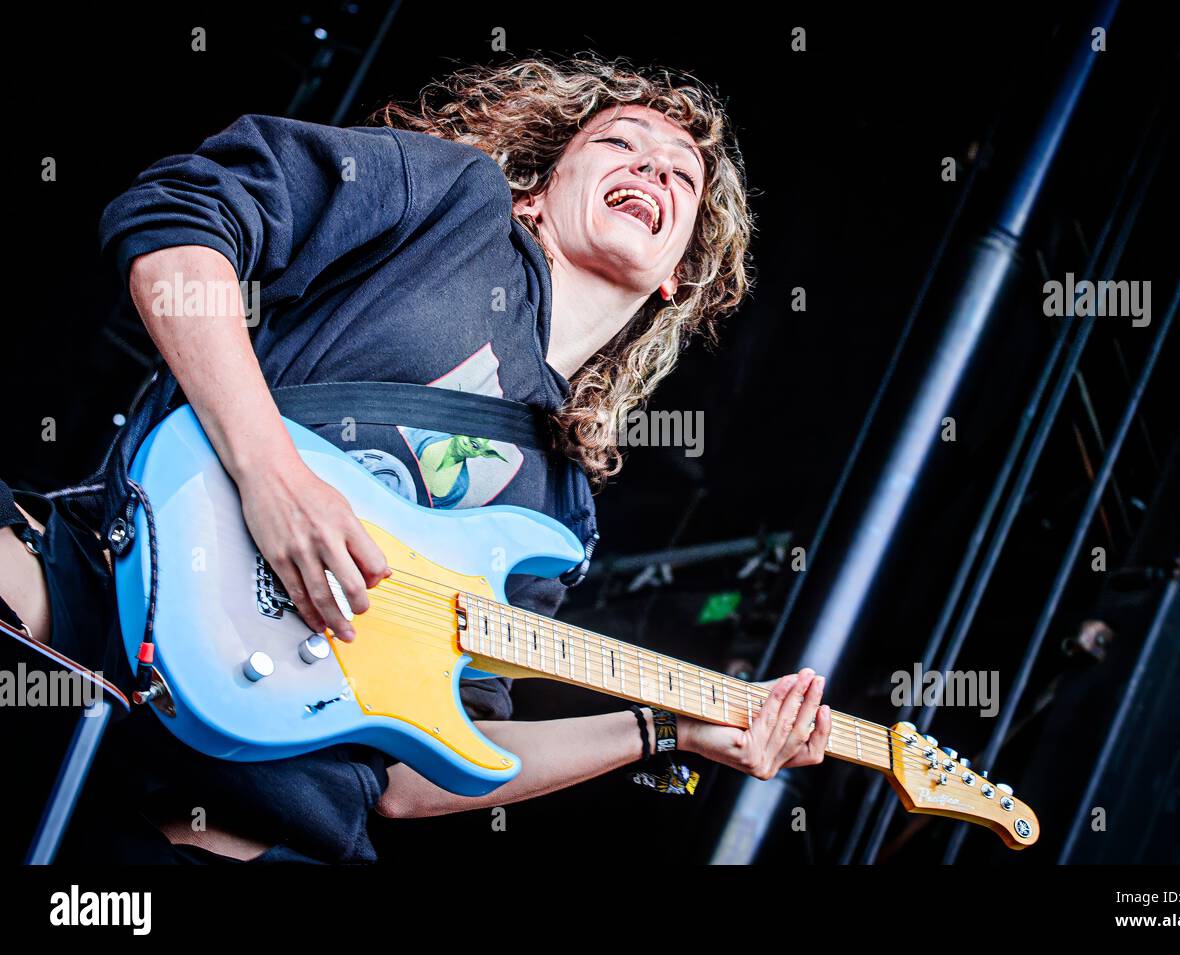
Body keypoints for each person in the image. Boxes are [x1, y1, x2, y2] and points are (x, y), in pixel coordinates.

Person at [0, 54, 831, 864]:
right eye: (621, 142)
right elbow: (177, 218)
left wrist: (665, 729)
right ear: (536, 195)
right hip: (80, 625)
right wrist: (273, 475)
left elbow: (414, 769)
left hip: (226, 833)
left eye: (681, 176)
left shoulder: (559, 512)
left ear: (676, 279)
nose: (652, 166)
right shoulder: (453, 200)